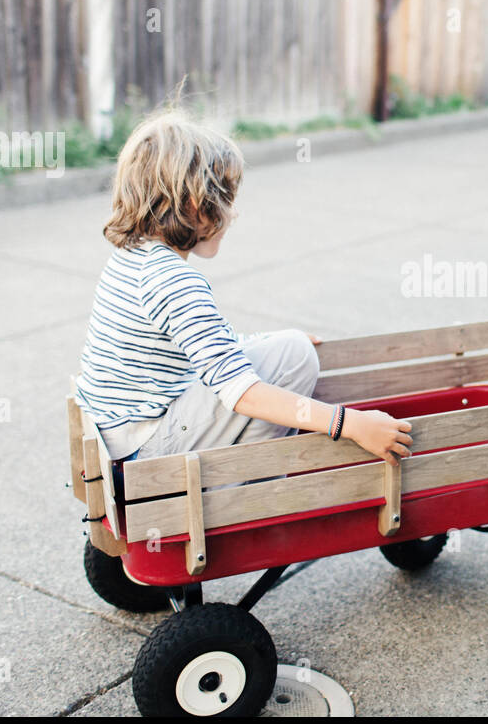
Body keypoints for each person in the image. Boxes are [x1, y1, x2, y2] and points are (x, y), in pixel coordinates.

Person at [73, 109, 412, 468]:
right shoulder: (174, 279)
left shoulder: (133, 257)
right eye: (226, 200)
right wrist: (350, 423)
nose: (233, 214)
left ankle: (244, 482)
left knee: (285, 347)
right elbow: (242, 394)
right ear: (194, 205)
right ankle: (246, 493)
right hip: (146, 454)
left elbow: (201, 343)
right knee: (294, 354)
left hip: (121, 442)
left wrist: (262, 344)